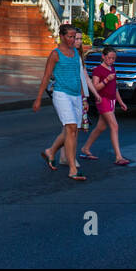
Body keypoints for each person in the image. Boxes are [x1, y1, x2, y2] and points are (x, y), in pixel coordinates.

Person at [33, 24, 98, 182]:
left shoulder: (76, 53)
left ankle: (51, 152)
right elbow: (46, 76)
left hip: (76, 96)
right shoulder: (55, 54)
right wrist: (38, 98)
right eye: (69, 36)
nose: (72, 40)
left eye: (74, 37)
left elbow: (79, 77)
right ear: (62, 36)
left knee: (73, 131)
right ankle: (72, 169)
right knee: (70, 128)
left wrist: (83, 98)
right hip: (61, 94)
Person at [79, 45, 130, 165]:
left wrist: (121, 102)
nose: (111, 60)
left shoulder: (112, 69)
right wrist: (106, 80)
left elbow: (115, 88)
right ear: (103, 56)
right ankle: (118, 157)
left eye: (113, 58)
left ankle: (85, 148)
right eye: (109, 58)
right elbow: (95, 87)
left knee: (101, 127)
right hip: (103, 101)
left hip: (111, 101)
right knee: (114, 126)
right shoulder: (98, 70)